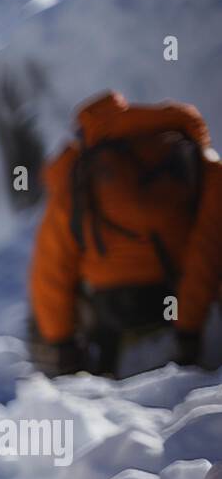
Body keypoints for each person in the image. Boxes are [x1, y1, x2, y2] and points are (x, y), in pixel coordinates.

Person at [29, 91, 222, 377]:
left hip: (111, 314)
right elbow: (207, 249)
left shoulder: (80, 172)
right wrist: (188, 329)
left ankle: (75, 391)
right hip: (186, 307)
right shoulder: (197, 161)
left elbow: (51, 271)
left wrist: (61, 344)